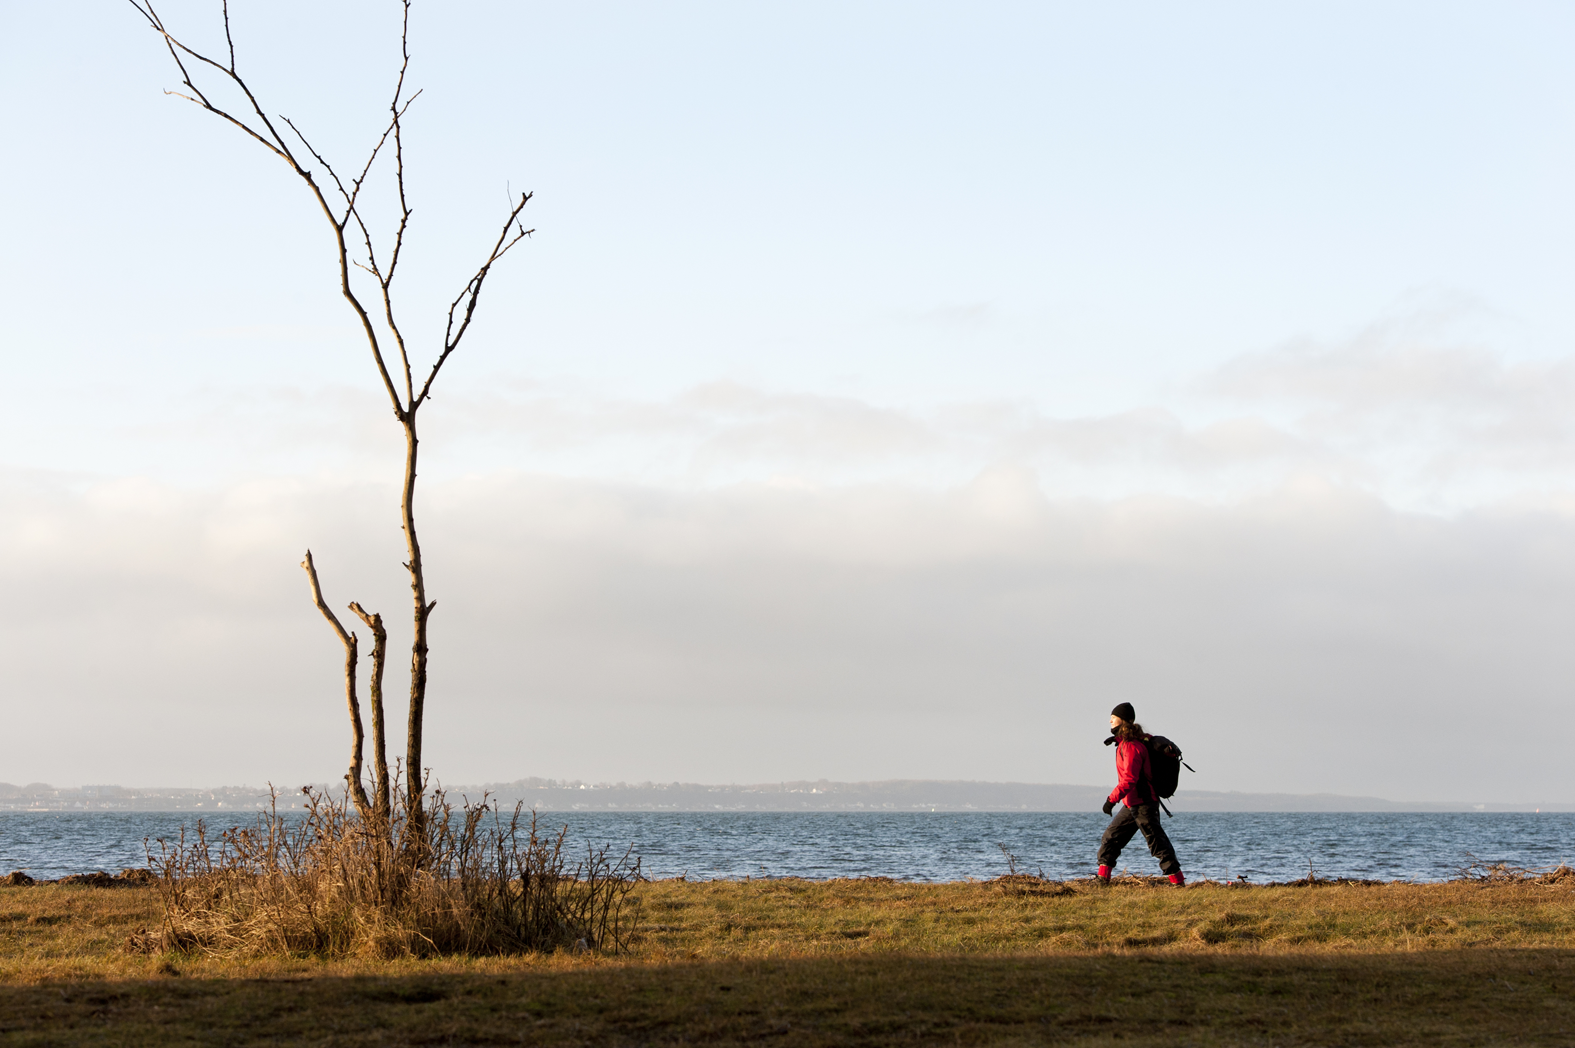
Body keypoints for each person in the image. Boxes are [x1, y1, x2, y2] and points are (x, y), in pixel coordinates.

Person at [1097, 702, 1185, 886]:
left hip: (1144, 803)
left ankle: (1178, 882)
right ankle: (1102, 880)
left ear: (1123, 720)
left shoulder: (1131, 746)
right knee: (1110, 838)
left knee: (1158, 844)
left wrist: (1111, 800)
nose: (1110, 721)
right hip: (1132, 803)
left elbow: (1129, 779)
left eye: (1113, 718)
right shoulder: (1125, 743)